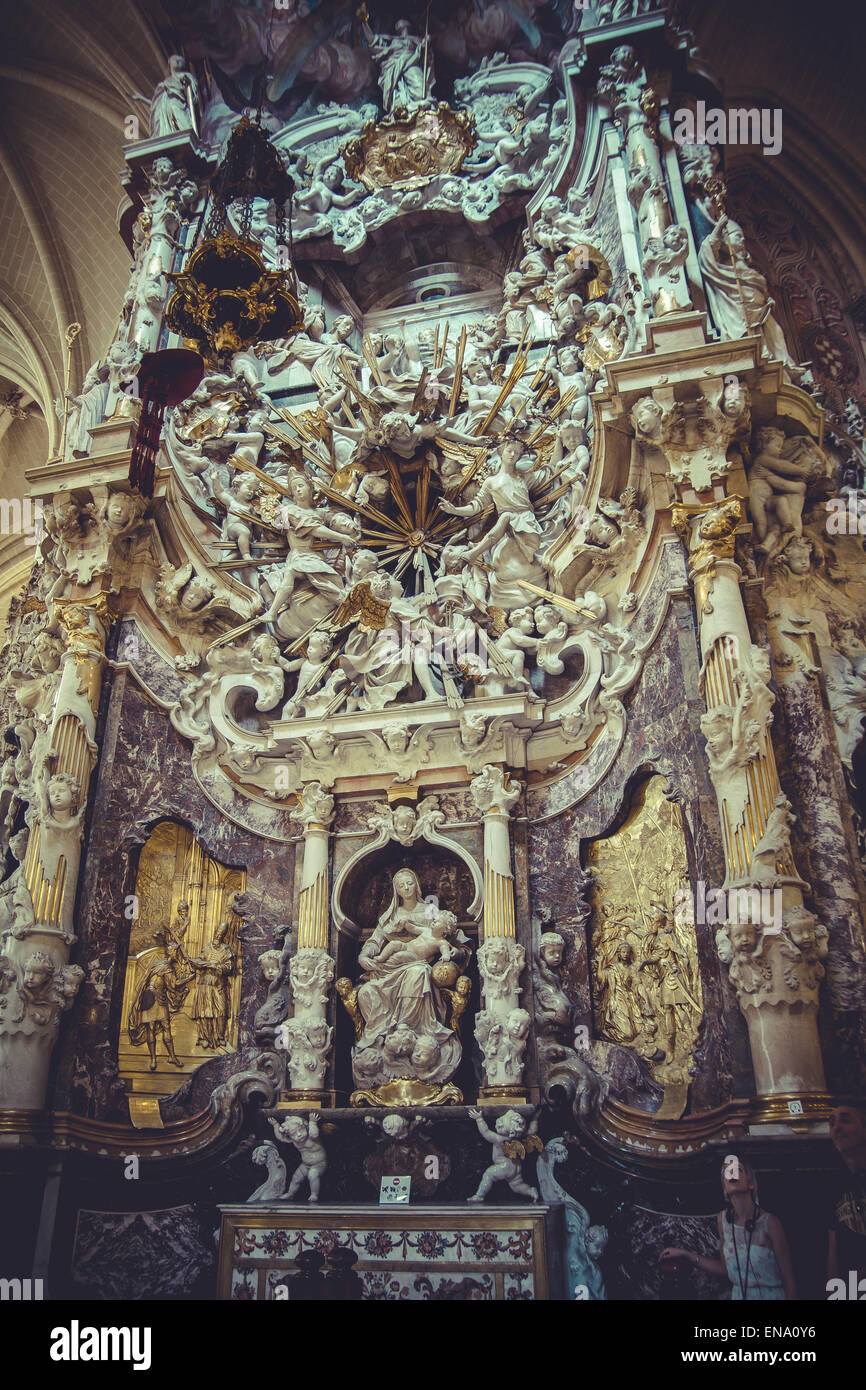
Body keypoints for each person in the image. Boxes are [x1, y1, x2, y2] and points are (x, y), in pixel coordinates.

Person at [659, 1155, 796, 1299]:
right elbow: (725, 1269)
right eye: (727, 1171)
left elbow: (789, 1281)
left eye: (738, 1169)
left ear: (751, 1184)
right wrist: (686, 1255)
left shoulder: (770, 1222)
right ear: (724, 1188)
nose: (732, 1173)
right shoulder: (723, 1220)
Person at [826, 1102, 866, 1287]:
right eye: (832, 1123)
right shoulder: (834, 1184)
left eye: (846, 1120)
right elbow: (833, 1248)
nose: (837, 1128)